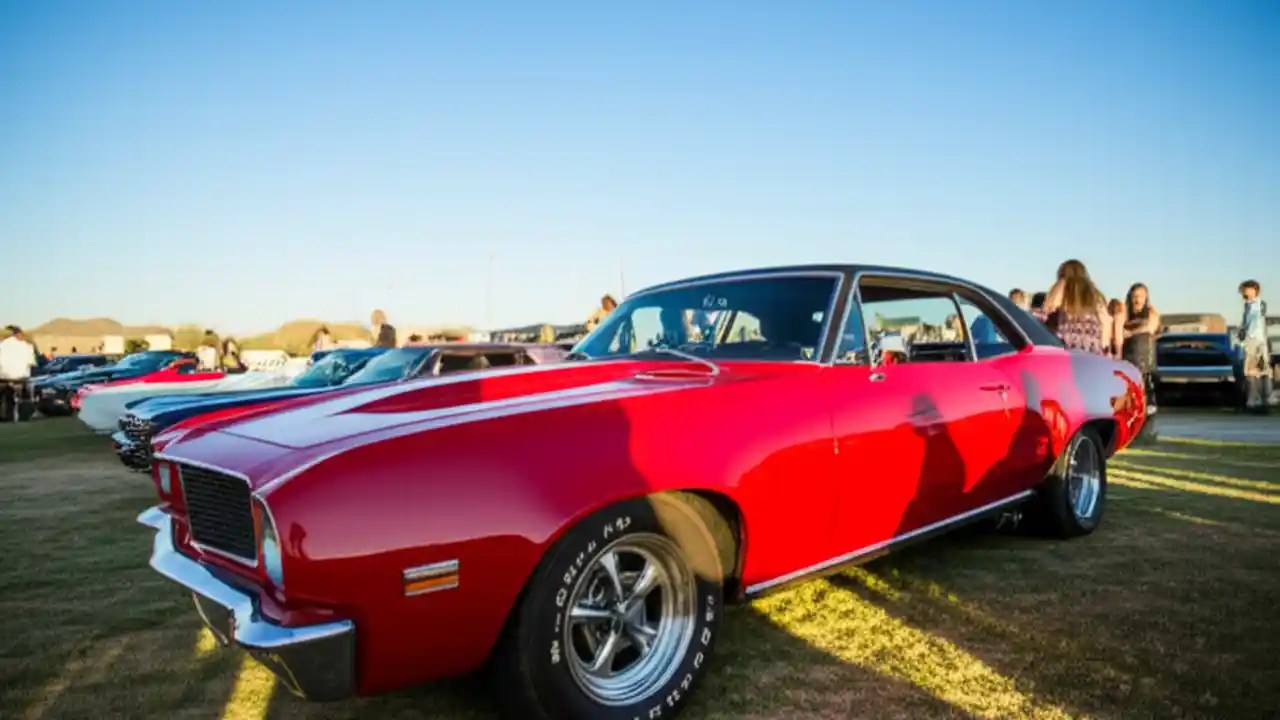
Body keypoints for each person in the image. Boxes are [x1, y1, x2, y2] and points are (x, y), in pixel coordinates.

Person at [1043, 259, 1110, 353]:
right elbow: (1106, 322)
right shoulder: (1095, 294)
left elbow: (1048, 308)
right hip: (1093, 350)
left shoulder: (1062, 285)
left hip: (1068, 348)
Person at [1238, 280, 1271, 414]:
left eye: (1248, 290)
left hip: (1256, 342)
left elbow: (1252, 323)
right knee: (1253, 372)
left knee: (1259, 371)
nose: (1245, 293)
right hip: (1253, 342)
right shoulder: (1248, 306)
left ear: (1255, 290)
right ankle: (1255, 401)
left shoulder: (1257, 305)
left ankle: (1261, 400)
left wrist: (1244, 338)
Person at [0, 326, 38, 422]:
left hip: (4, 379)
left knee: (7, 401)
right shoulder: (27, 346)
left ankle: (7, 417)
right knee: (24, 400)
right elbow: (32, 363)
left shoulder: (2, 345)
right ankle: (22, 417)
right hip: (22, 379)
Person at [1121, 283, 1160, 371]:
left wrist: (1131, 333)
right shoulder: (1125, 314)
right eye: (1135, 297)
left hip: (1146, 365)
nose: (1138, 300)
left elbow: (1150, 328)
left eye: (1141, 296)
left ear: (1146, 298)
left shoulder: (1151, 312)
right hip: (1127, 362)